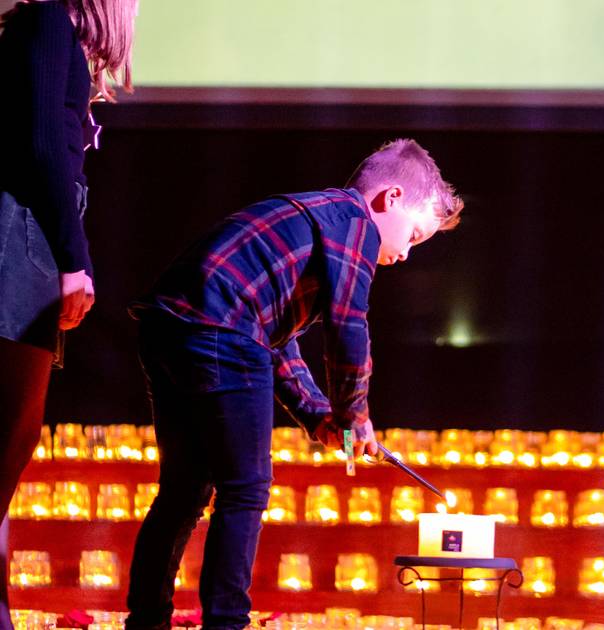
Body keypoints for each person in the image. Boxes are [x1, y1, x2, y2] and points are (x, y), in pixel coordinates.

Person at [123, 139, 463, 630]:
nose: (406, 253)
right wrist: (354, 417)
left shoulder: (316, 219)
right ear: (390, 199)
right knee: (246, 487)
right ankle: (227, 624)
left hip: (169, 328)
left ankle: (146, 621)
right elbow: (348, 327)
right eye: (412, 235)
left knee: (184, 490)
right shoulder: (354, 223)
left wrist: (320, 415)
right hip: (221, 330)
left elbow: (274, 341)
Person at [0, 1, 135, 627]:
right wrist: (74, 258)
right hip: (21, 239)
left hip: (30, 240)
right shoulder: (46, 21)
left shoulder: (50, 31)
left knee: (16, 430)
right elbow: (43, 146)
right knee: (13, 428)